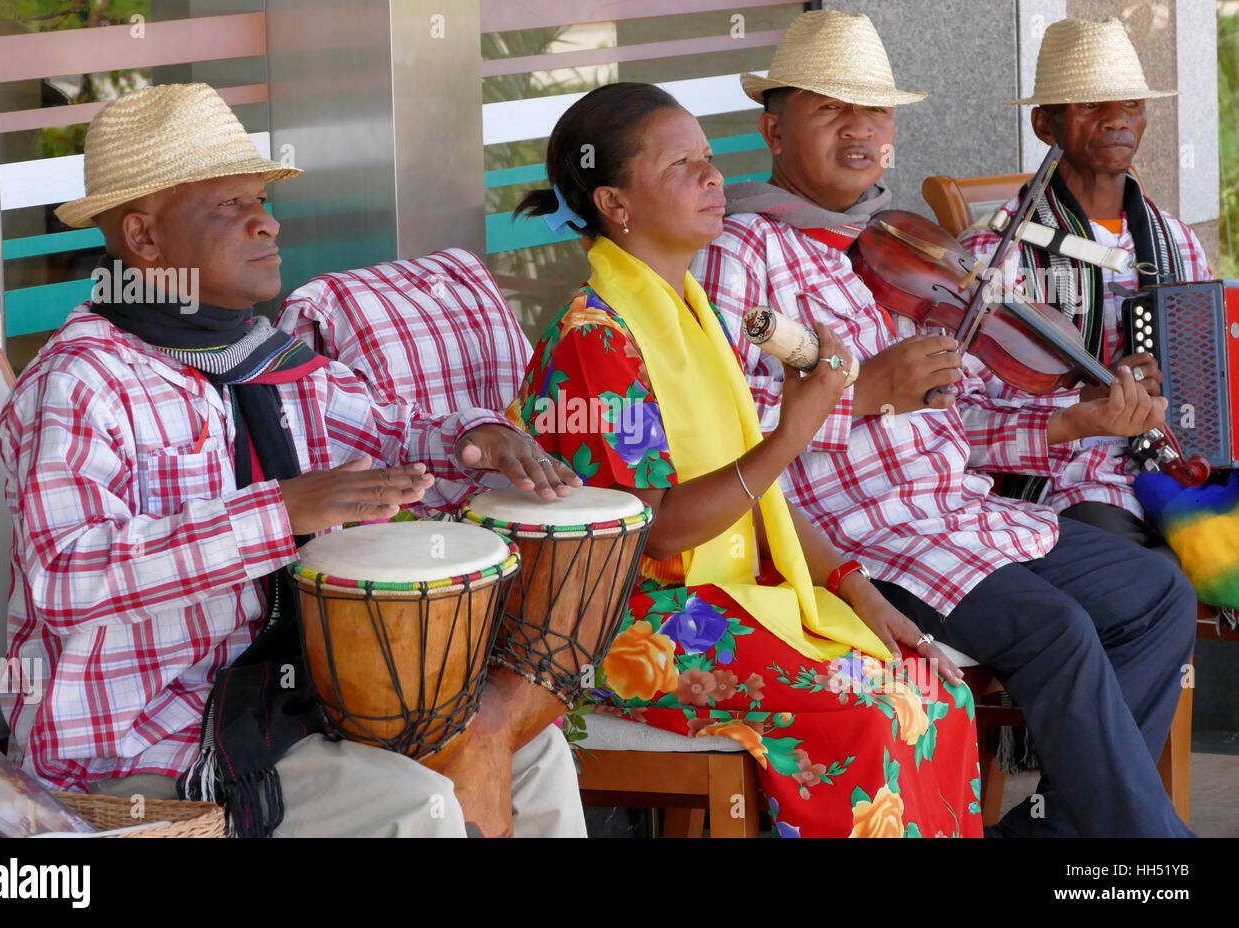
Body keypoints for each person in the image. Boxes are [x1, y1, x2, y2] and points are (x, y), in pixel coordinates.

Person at [0, 83, 584, 837]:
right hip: (139, 736)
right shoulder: (81, 383)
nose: (267, 221)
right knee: (414, 805)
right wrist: (280, 511)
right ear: (144, 240)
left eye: (264, 198)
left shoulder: (258, 357)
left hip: (280, 697)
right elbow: (66, 576)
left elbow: (383, 429)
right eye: (229, 205)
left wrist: (475, 436)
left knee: (535, 753)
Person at [694, 9, 1195, 837]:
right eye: (832, 111)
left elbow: (957, 422)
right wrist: (863, 394)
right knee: (1058, 630)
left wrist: (1075, 421)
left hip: (956, 513)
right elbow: (717, 430)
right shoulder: (741, 253)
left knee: (1156, 595)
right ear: (773, 130)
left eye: (876, 113)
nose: (861, 131)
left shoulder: (882, 247)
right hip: (858, 533)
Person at [512, 81, 982, 838]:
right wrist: (793, 431)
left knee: (932, 687)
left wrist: (861, 592)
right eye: (680, 166)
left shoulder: (694, 310)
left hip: (715, 601)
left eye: (707, 157)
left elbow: (761, 501)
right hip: (620, 625)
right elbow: (656, 534)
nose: (712, 177)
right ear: (615, 203)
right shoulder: (595, 341)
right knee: (871, 705)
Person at [960, 17, 1212, 549]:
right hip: (1073, 484)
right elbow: (961, 421)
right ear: (1044, 124)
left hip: (1188, 474)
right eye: (1091, 104)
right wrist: (1085, 404)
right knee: (1149, 580)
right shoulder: (996, 252)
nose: (1117, 121)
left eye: (1132, 105)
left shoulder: (1178, 242)